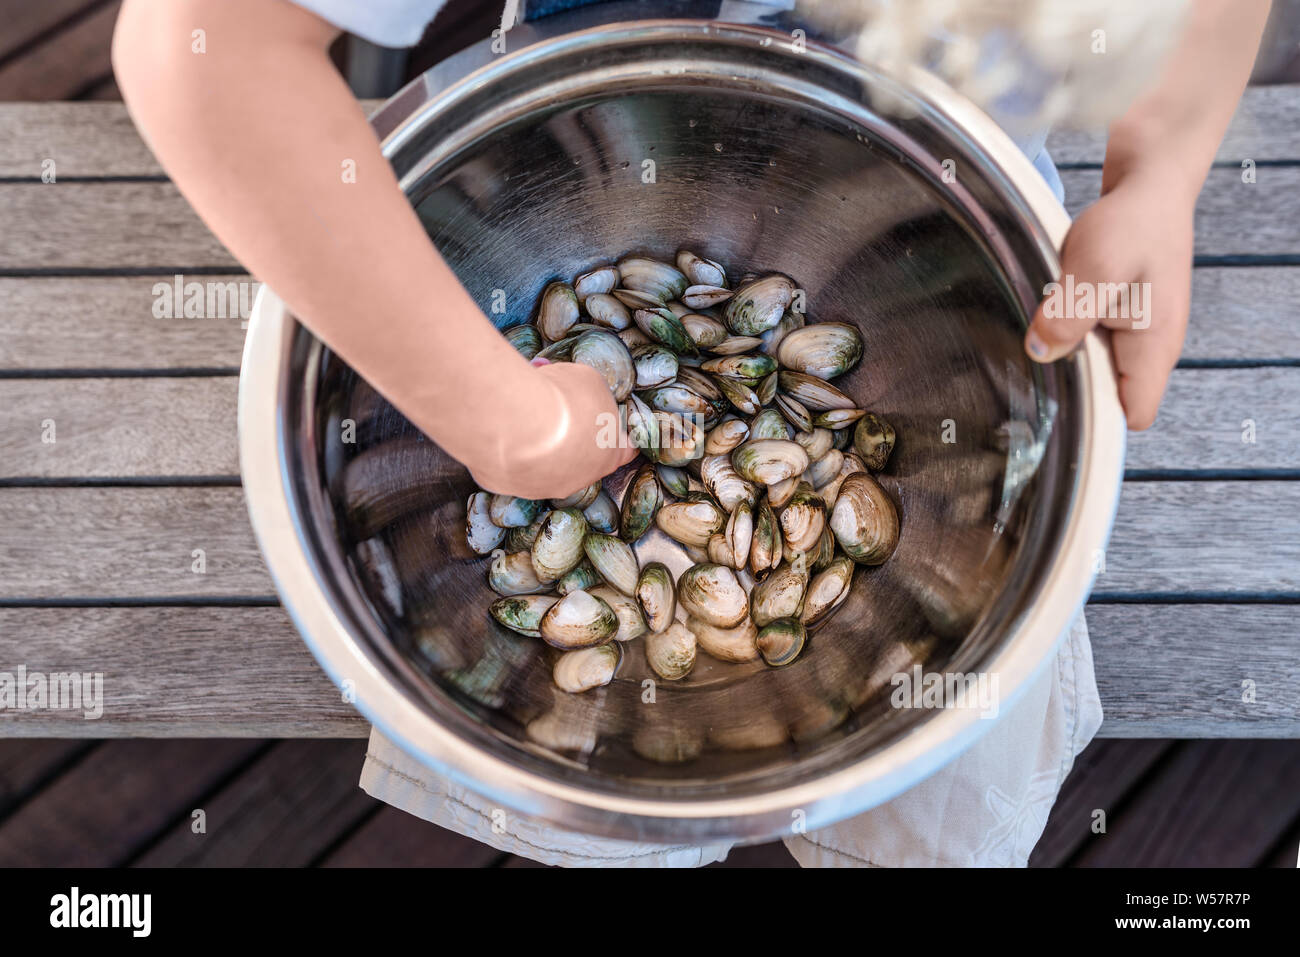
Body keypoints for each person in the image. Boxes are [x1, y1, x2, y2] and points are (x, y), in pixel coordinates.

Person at [112, 0, 1271, 866]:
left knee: (941, 794)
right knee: (601, 814)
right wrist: (504, 418)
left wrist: (1161, 172)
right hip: (604, 85)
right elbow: (203, 52)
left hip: (968, 120)